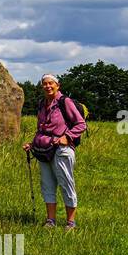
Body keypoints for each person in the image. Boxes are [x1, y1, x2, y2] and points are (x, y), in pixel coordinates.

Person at [22, 74, 87, 230]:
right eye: (44, 84)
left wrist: (68, 137)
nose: (47, 86)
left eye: (51, 83)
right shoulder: (42, 104)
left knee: (66, 184)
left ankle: (70, 222)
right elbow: (42, 129)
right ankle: (50, 221)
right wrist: (32, 143)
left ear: (58, 85)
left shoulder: (65, 102)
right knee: (47, 185)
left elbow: (81, 124)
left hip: (62, 150)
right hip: (44, 150)